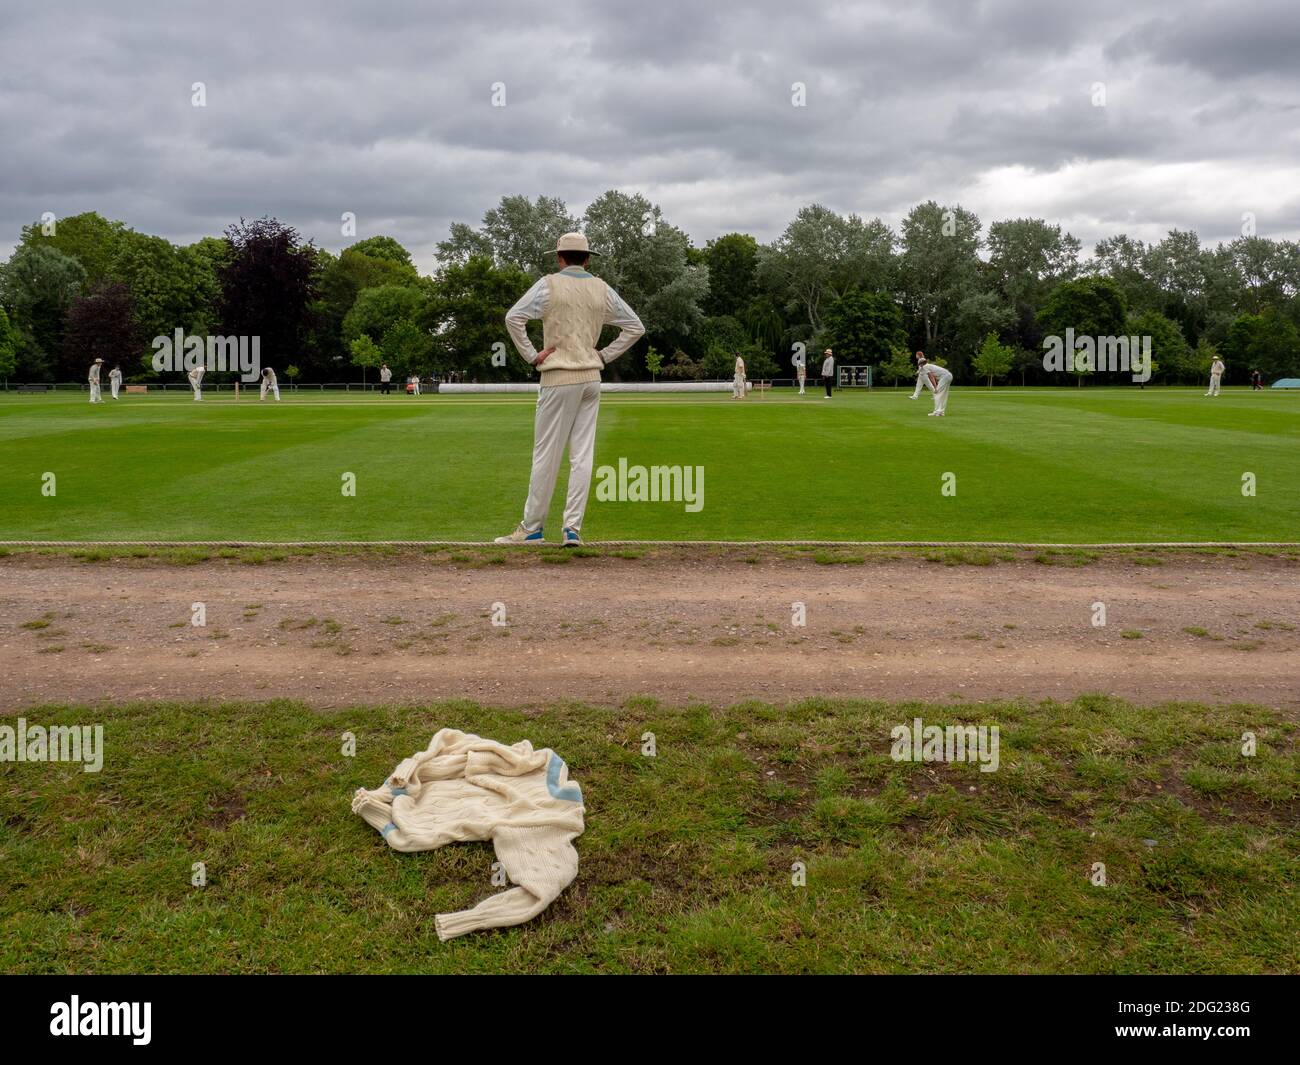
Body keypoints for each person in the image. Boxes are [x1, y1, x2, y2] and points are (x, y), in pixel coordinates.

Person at [495, 231, 644, 547]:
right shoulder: (601, 288)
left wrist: (532, 355)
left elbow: (513, 317)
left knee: (546, 455)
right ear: (587, 258)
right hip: (591, 377)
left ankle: (532, 528)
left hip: (559, 375)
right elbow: (635, 326)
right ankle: (572, 528)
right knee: (582, 455)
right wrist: (602, 355)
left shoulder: (549, 285)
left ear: (559, 257)